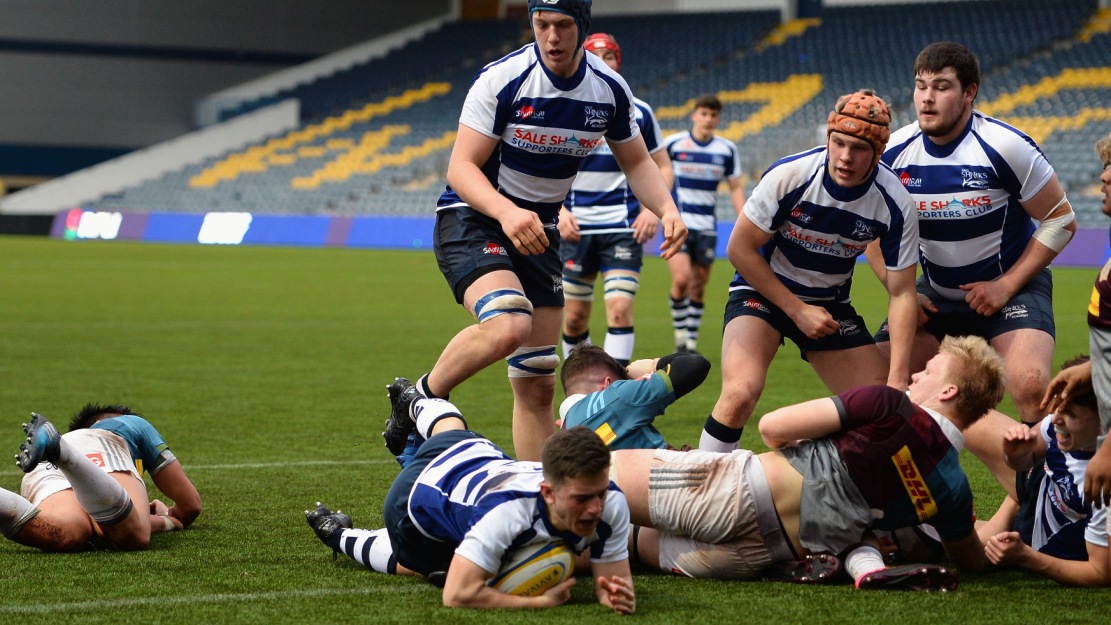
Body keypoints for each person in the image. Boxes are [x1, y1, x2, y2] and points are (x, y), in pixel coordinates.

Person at [408, 0, 686, 462]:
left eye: (562, 25)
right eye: (541, 24)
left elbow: (636, 160)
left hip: (538, 231)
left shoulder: (608, 90)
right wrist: (508, 212)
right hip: (475, 215)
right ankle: (420, 396)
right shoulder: (503, 79)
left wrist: (666, 207)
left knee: (537, 387)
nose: (551, 36)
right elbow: (460, 167)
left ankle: (536, 500)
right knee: (509, 322)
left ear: (583, 25)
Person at [602, 335, 1002, 590]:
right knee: (626, 543)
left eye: (929, 371)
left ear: (949, 390)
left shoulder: (892, 405)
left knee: (594, 475)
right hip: (759, 557)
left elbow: (774, 427)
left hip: (730, 494)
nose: (916, 375)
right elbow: (970, 559)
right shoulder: (953, 487)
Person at [699, 89, 919, 452]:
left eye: (859, 148)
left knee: (883, 407)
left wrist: (897, 378)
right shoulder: (791, 174)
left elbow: (902, 292)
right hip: (762, 294)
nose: (845, 157)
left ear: (878, 152)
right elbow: (739, 249)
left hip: (829, 305)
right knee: (739, 394)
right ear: (829, 138)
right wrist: (797, 310)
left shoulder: (895, 203)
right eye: (839, 142)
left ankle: (805, 461)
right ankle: (697, 493)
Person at [873, 41, 1077, 427]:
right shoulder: (894, 152)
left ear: (970, 92)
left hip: (1012, 288)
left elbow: (1061, 220)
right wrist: (900, 290)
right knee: (875, 376)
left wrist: (1006, 284)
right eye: (921, 86)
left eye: (942, 86)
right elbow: (870, 228)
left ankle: (1046, 484)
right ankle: (915, 479)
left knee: (1033, 388)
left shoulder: (1006, 146)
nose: (927, 99)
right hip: (934, 293)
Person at [307, 383, 634, 611]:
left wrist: (616, 596)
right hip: (417, 498)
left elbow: (611, 581)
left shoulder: (612, 502)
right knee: (423, 566)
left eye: (601, 492)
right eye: (582, 499)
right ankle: (340, 534)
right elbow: (457, 595)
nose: (596, 507)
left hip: (476, 457)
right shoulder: (508, 513)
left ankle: (413, 405)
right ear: (548, 491)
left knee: (451, 429)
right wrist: (536, 602)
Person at [559, 32, 672, 367]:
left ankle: (612, 396)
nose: (604, 62)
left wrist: (655, 211)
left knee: (620, 311)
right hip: (575, 228)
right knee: (575, 319)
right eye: (596, 56)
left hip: (623, 227)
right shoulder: (566, 107)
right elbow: (546, 165)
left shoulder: (640, 112)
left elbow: (662, 165)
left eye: (610, 56)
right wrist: (559, 210)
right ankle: (580, 395)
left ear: (618, 62)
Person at [2, 404, 202, 552]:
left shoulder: (69, 439)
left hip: (44, 468)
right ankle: (65, 454)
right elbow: (190, 506)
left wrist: (152, 517)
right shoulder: (129, 423)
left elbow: (98, 526)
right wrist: (170, 518)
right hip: (94, 449)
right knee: (133, 537)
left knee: (67, 534)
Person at [981, 356, 1109, 586]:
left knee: (965, 553)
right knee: (958, 402)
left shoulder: (1101, 485)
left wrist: (1027, 557)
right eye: (1057, 406)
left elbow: (1100, 572)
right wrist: (1015, 454)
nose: (1056, 418)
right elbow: (1025, 461)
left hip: (1030, 541)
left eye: (1070, 413)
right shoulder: (1057, 425)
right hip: (1030, 502)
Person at [663, 94, 746, 354]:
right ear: (694, 115)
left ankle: (690, 342)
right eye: (704, 114)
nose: (708, 119)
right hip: (679, 225)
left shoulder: (726, 149)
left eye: (713, 115)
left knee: (698, 287)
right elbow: (658, 175)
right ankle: (679, 337)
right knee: (682, 280)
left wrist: (744, 219)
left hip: (708, 227)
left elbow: (735, 188)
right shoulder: (674, 144)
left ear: (718, 118)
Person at [558, 343, 710, 450]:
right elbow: (694, 364)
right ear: (608, 384)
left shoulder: (563, 438)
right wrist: (653, 365)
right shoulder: (615, 396)